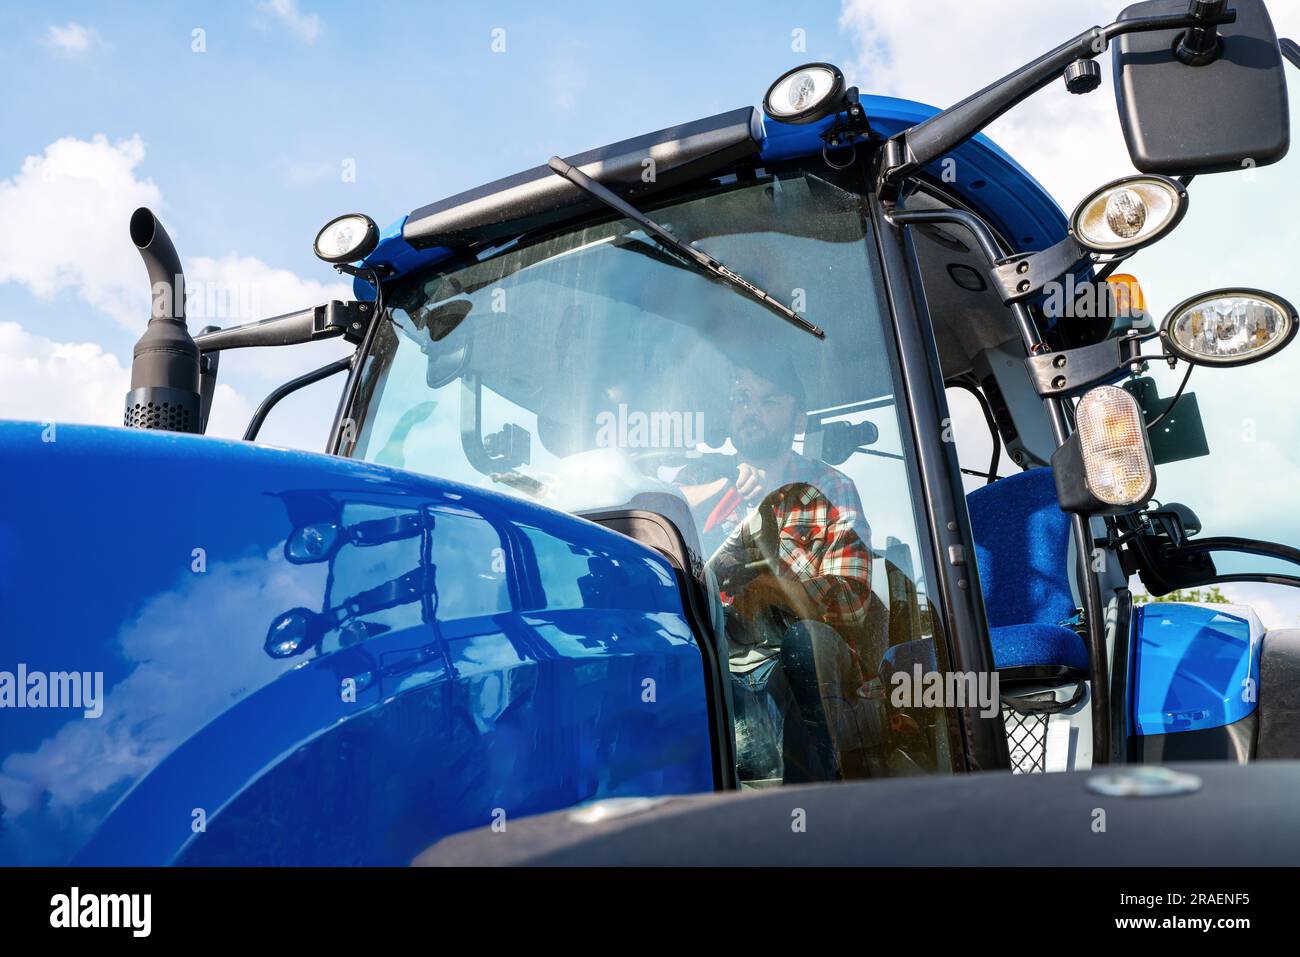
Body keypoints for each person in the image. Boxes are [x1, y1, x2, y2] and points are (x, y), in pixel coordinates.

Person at [674, 362, 881, 782]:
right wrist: (724, 488)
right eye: (741, 400)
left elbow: (853, 599)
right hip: (717, 651)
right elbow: (661, 534)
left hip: (795, 655)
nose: (751, 411)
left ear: (798, 419)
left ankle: (814, 806)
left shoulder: (829, 486)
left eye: (768, 401)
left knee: (807, 643)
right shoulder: (698, 478)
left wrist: (775, 589)